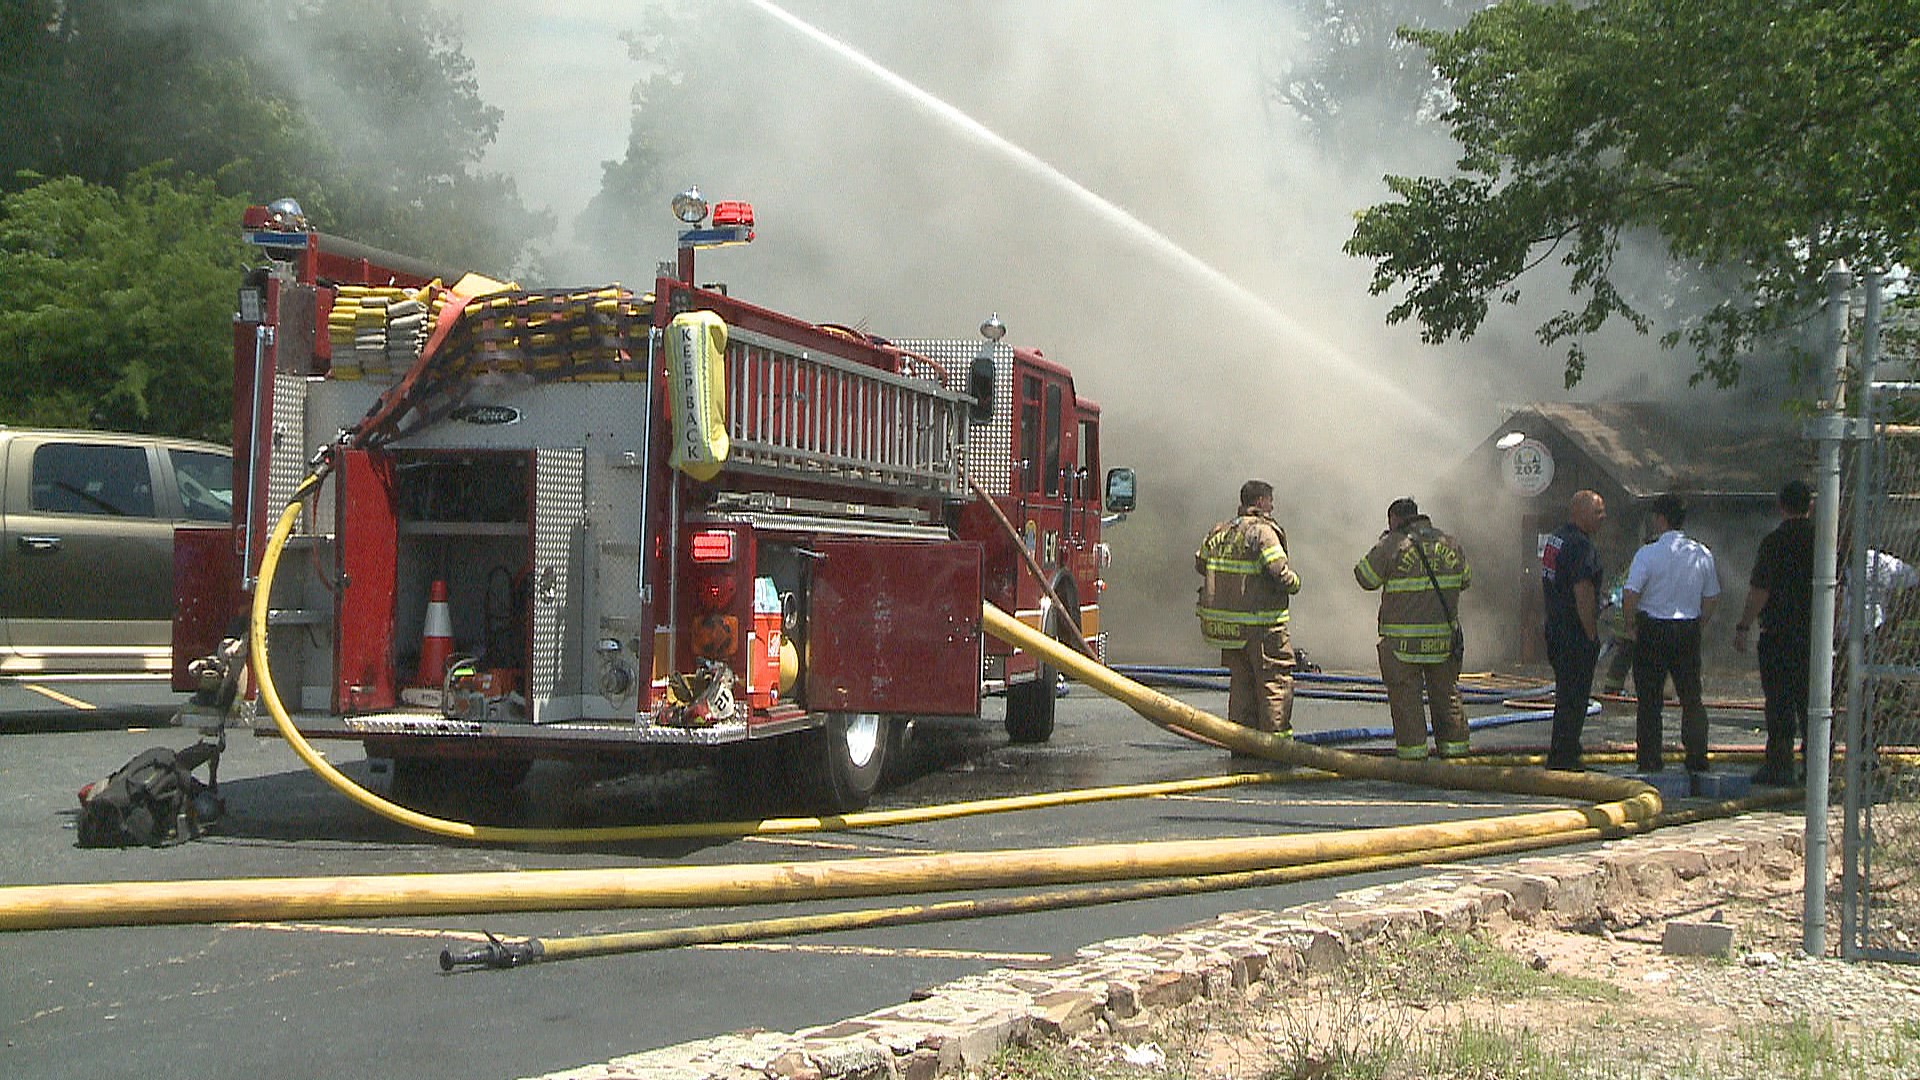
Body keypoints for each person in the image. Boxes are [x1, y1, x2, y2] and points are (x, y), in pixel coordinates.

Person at [1355, 497, 1472, 760]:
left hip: (1402, 645)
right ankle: (1457, 758)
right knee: (1447, 696)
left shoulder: (1393, 544)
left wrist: (1383, 544)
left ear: (1395, 519)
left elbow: (1365, 577)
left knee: (1406, 701)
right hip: (1443, 643)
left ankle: (1413, 760)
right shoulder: (1449, 543)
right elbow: (1465, 580)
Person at [1195, 480, 1302, 744]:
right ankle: (1277, 748)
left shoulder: (1220, 532)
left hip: (1229, 629)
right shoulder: (1262, 532)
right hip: (1262, 625)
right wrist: (1295, 583)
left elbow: (1201, 563)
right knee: (1274, 683)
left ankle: (1243, 746)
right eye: (1270, 501)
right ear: (1260, 502)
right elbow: (1278, 570)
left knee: (1241, 684)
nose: (1273, 506)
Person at [1622, 491, 1720, 773]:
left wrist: (1630, 625)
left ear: (1660, 519)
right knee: (1691, 697)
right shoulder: (1701, 553)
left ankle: (1651, 759)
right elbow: (1712, 596)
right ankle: (1697, 757)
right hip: (1687, 628)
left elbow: (1631, 592)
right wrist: (1700, 622)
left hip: (1653, 628)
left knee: (1650, 700)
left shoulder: (1648, 553)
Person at [1733, 480, 1814, 786]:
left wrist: (1743, 626)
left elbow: (1760, 590)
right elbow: (1838, 589)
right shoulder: (1824, 541)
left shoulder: (1774, 543)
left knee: (1779, 701)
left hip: (1779, 634)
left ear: (1782, 506)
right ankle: (1816, 767)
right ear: (1810, 505)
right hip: (1813, 635)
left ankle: (1780, 766)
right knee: (1813, 704)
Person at [1542, 490, 1607, 770]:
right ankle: (1565, 756)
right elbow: (1583, 593)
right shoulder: (1581, 546)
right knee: (1574, 696)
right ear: (1578, 512)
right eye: (1597, 512)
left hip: (1555, 627)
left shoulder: (1555, 539)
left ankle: (1564, 749)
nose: (1602, 518)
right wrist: (1591, 634)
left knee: (1565, 694)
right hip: (1574, 632)